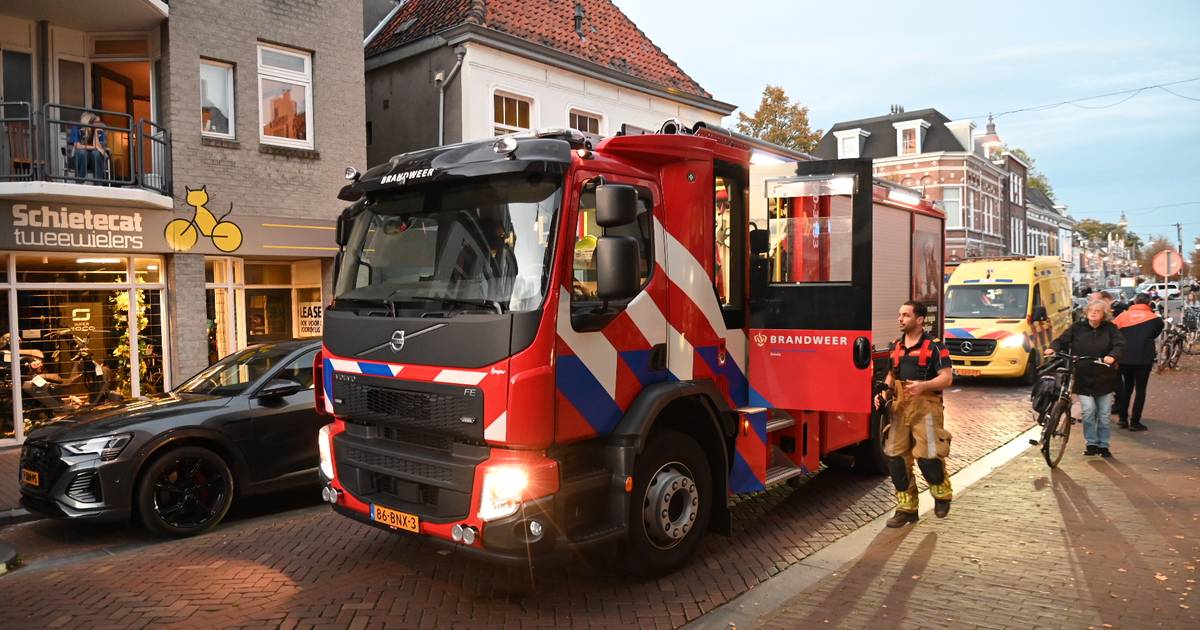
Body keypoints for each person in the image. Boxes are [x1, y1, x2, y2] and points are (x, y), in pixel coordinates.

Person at [874, 300, 954, 527]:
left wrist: (923, 385)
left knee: (928, 457)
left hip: (926, 408)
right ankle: (907, 509)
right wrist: (884, 393)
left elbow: (947, 378)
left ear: (919, 320)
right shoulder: (896, 346)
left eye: (906, 315)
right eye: (899, 315)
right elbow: (892, 373)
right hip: (900, 408)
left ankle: (941, 495)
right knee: (896, 459)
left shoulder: (935, 347)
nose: (900, 319)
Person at [1045, 301, 1125, 457]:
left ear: (1104, 315)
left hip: (1104, 378)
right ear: (1086, 312)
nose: (1094, 313)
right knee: (1088, 411)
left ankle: (1103, 445)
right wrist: (1053, 348)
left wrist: (1112, 356)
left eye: (1098, 311)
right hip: (1083, 376)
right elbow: (1062, 340)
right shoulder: (1077, 328)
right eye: (1091, 310)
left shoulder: (1111, 329)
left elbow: (1120, 345)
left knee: (1104, 415)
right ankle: (1091, 443)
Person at [1113, 293, 1164, 431]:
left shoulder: (1121, 317)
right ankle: (1135, 422)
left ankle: (1122, 419)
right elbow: (1155, 334)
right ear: (1148, 303)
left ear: (1134, 302)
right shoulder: (1155, 319)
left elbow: (1113, 333)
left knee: (1126, 388)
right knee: (1140, 390)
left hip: (1124, 358)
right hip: (1144, 359)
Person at [68, 111, 108, 182]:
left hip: (94, 160)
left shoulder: (99, 130)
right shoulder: (77, 128)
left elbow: (99, 147)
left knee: (96, 154)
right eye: (94, 122)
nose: (96, 124)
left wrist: (95, 132)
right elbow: (78, 146)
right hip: (81, 159)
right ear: (88, 122)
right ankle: (79, 182)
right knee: (83, 152)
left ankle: (99, 184)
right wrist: (94, 147)